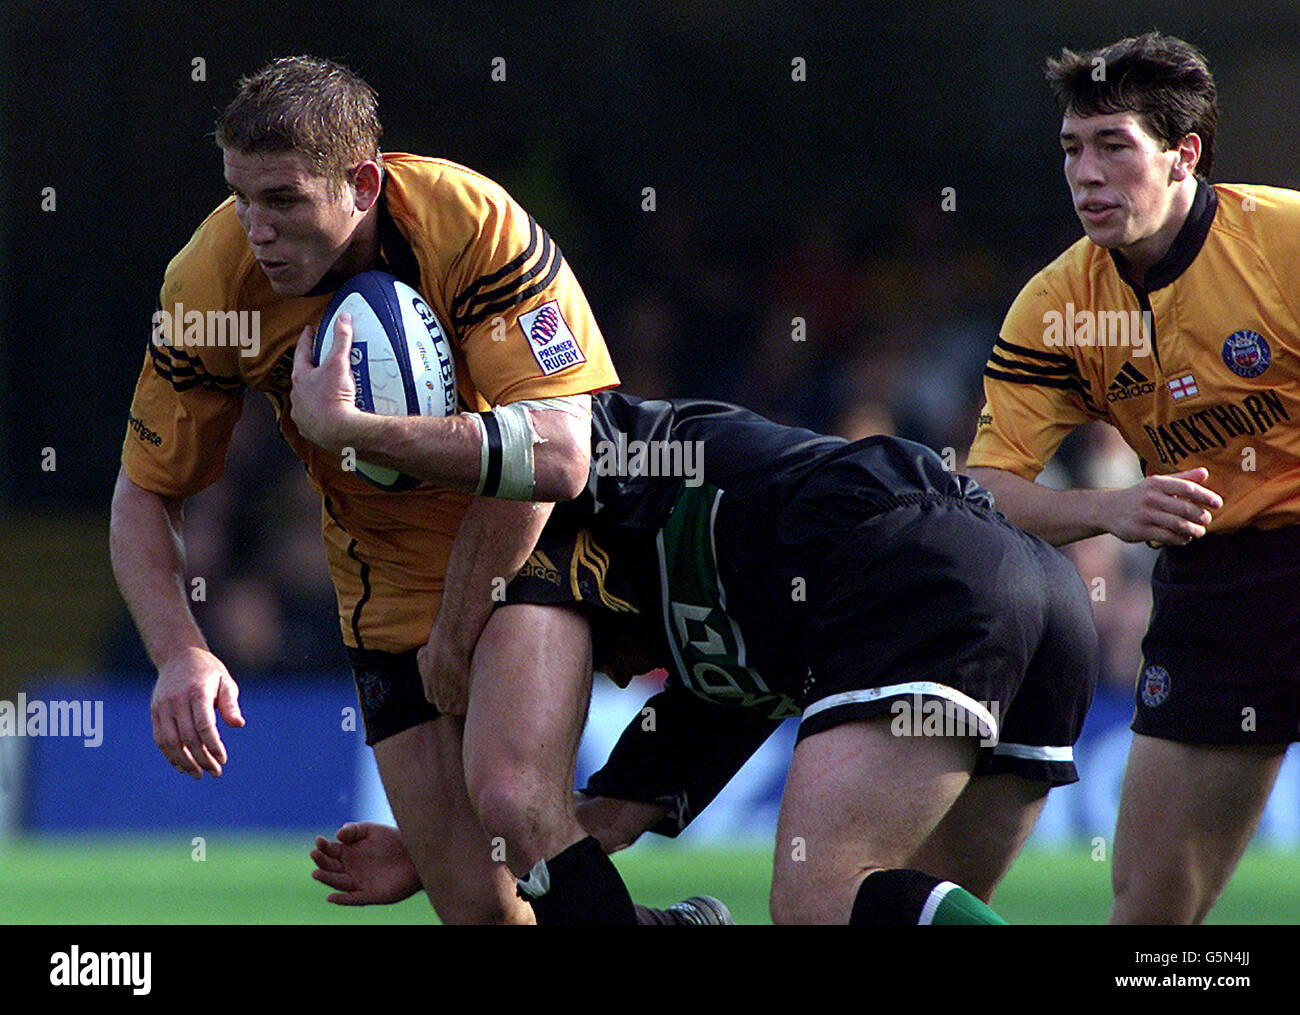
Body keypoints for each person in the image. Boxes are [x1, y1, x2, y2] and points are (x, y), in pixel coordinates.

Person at [109, 54, 645, 925]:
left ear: (361, 181)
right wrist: (180, 650)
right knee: (477, 905)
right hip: (385, 583)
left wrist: (361, 440)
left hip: (529, 541)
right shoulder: (209, 282)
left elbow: (557, 457)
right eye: (241, 197)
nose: (256, 229)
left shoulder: (470, 224)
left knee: (512, 799)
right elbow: (144, 492)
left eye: (283, 200)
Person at [313, 391, 1099, 924]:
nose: (615, 675)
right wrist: (432, 855)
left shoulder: (622, 463)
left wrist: (356, 433)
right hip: (1044, 600)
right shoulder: (717, 682)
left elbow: (541, 444)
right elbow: (596, 824)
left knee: (815, 897)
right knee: (893, 906)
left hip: (920, 557)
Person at [964, 32, 1300, 924]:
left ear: (1185, 155)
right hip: (1217, 591)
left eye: (1115, 144)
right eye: (1073, 148)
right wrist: (1110, 507)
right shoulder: (1055, 305)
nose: (1086, 173)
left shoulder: (1284, 242)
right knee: (1150, 911)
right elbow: (985, 488)